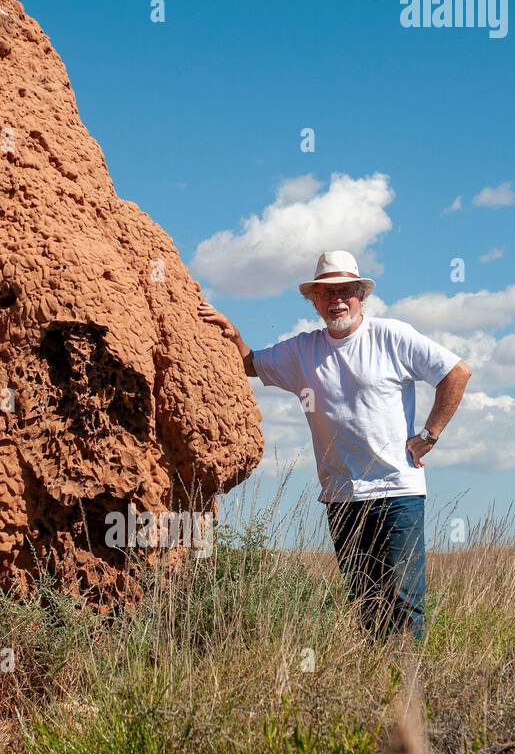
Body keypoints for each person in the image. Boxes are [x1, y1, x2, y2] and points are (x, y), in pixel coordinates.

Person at [198, 250, 472, 639]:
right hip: (340, 495)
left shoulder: (392, 336)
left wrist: (429, 435)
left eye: (346, 290)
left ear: (361, 294)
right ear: (314, 301)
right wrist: (234, 335)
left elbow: (457, 372)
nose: (337, 300)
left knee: (404, 601)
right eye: (326, 293)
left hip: (397, 491)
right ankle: (377, 685)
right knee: (364, 601)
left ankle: (410, 691)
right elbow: (250, 364)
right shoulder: (302, 350)